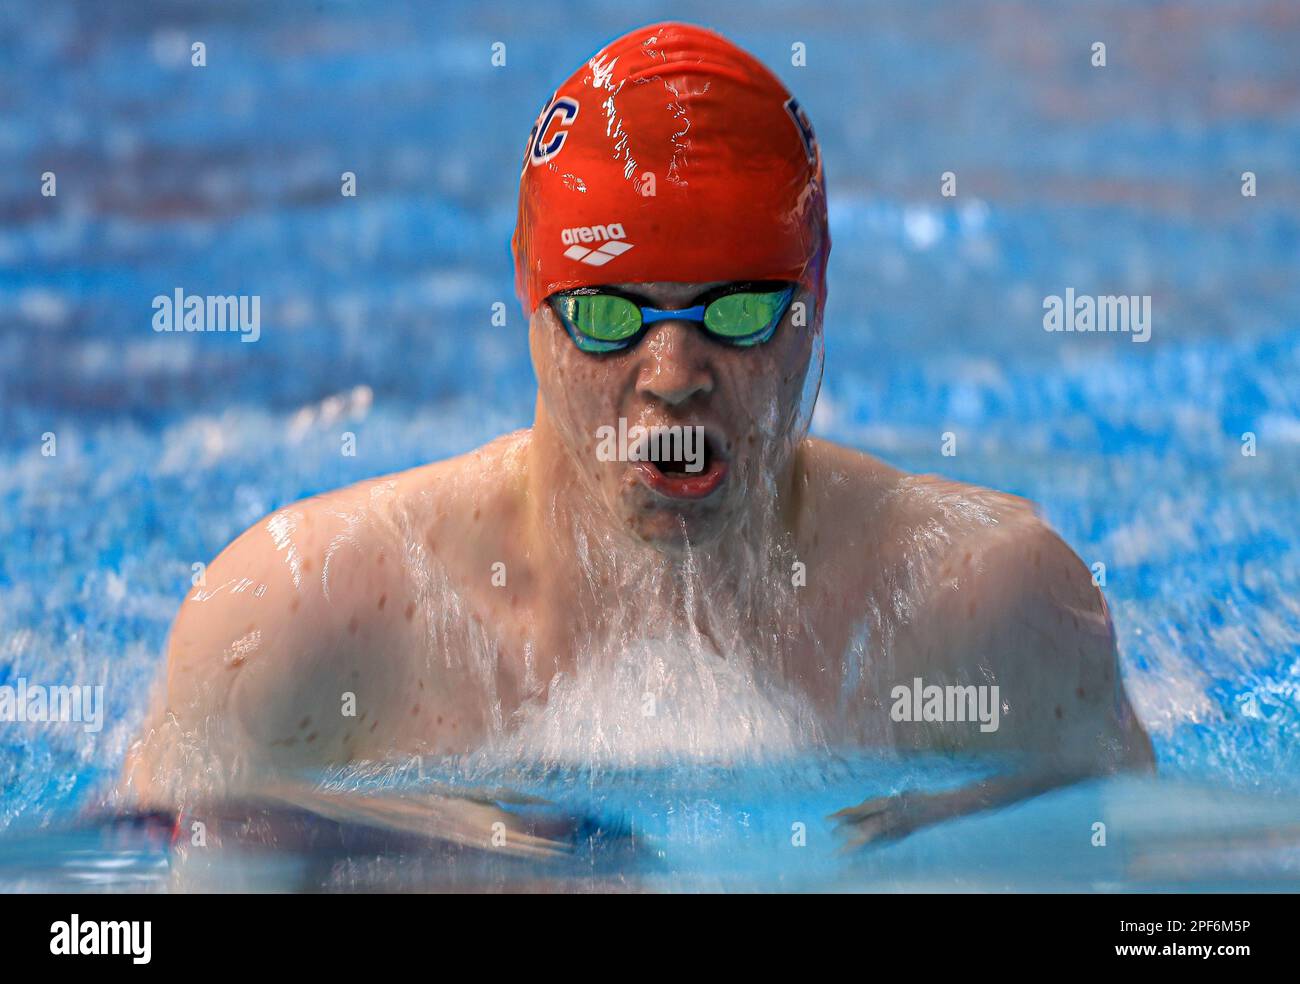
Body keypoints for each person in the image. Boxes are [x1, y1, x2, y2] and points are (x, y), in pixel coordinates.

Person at [121, 22, 1152, 847]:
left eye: (739, 311)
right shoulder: (292, 629)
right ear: (528, 295)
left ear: (818, 291)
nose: (672, 380)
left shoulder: (997, 614)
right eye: (609, 317)